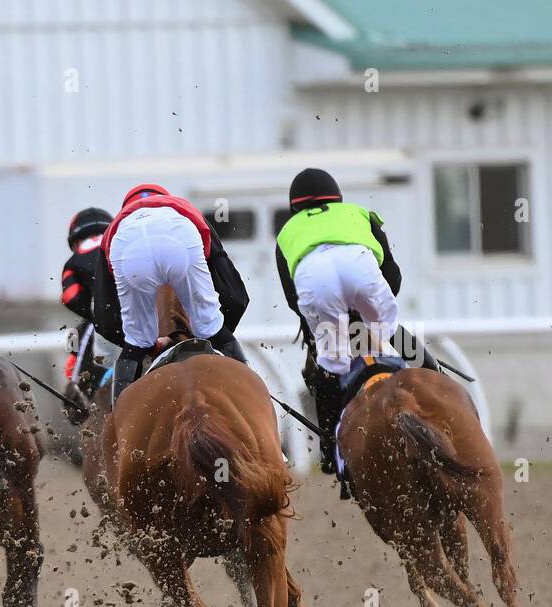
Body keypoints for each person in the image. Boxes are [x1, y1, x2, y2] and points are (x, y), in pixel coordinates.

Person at [274, 167, 441, 471]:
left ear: (294, 207)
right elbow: (393, 276)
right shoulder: (359, 215)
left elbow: (294, 299)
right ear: (336, 198)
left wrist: (336, 318)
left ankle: (328, 448)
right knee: (390, 331)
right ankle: (438, 386)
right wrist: (365, 316)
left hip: (316, 281)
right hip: (360, 271)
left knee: (331, 363)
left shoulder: (288, 232)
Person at [93, 183, 249, 399]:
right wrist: (210, 333)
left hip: (127, 246)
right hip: (180, 234)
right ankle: (251, 393)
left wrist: (148, 346)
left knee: (137, 340)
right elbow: (236, 298)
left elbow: (105, 321)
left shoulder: (116, 227)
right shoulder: (182, 209)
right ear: (165, 198)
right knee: (209, 326)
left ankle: (117, 420)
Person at [60, 206, 112, 396]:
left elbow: (70, 296)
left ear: (75, 241)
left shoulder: (74, 261)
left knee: (81, 333)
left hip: (104, 324)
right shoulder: (124, 246)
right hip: (145, 315)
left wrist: (95, 314)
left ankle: (79, 392)